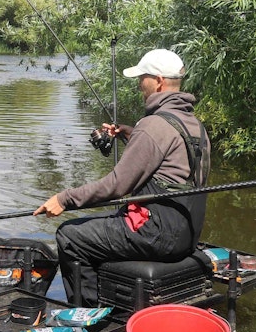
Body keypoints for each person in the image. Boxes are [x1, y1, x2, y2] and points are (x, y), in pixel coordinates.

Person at [33, 48, 210, 306]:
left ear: (159, 81)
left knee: (70, 235)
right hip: (186, 235)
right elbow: (169, 163)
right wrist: (131, 134)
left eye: (143, 78)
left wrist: (65, 199)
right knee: (104, 224)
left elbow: (116, 186)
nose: (140, 84)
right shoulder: (194, 125)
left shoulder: (153, 126)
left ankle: (87, 316)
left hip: (156, 234)